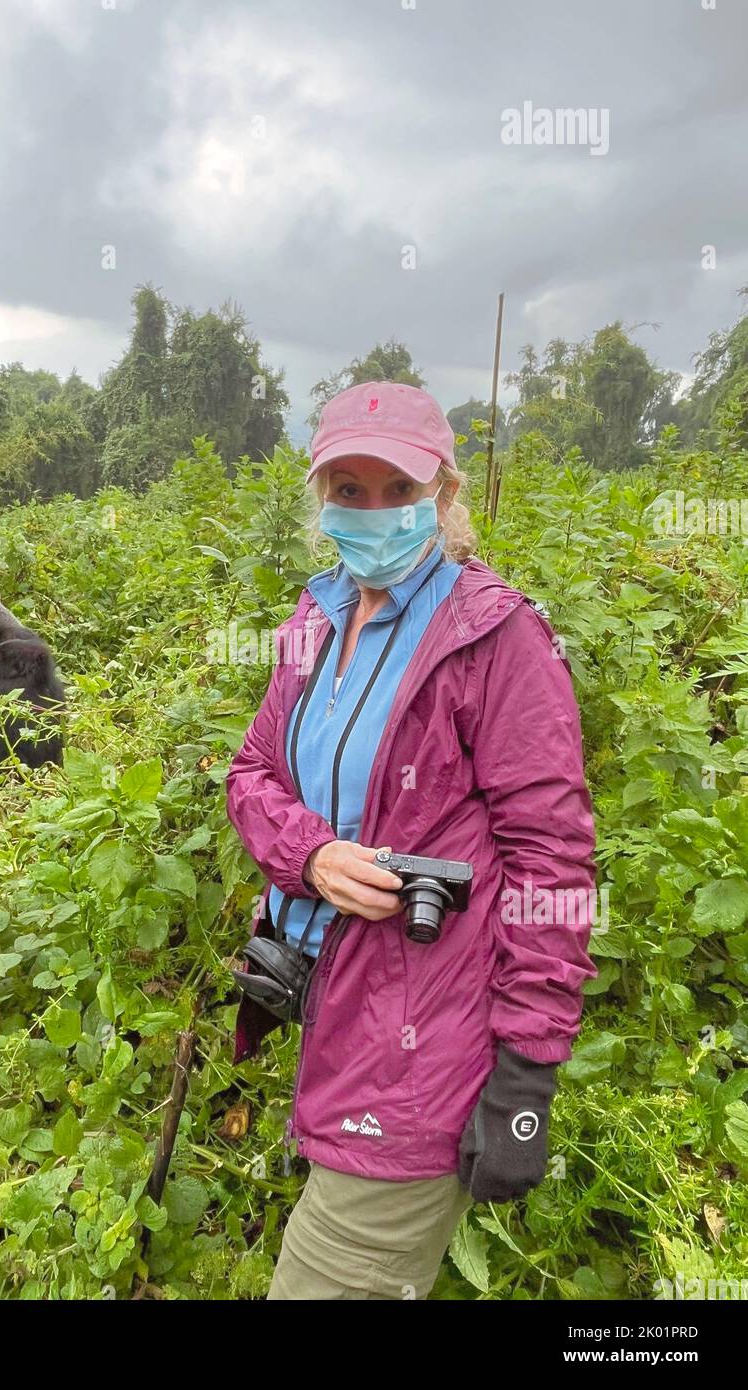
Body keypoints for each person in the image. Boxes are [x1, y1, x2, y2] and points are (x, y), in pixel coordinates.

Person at [225, 379, 598, 1300]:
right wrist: (309, 853)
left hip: (419, 1040)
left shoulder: (495, 638)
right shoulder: (314, 622)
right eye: (347, 490)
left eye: (397, 488)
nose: (374, 511)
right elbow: (251, 775)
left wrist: (526, 1073)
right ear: (322, 501)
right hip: (323, 1004)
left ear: (443, 493)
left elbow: (552, 864)